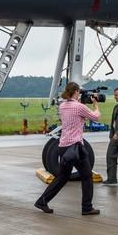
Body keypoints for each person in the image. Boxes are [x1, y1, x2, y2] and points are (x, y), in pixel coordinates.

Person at [35, 82, 101, 215]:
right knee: (87, 176)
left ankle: (42, 201)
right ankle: (87, 207)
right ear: (76, 92)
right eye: (79, 92)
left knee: (62, 177)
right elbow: (96, 117)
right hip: (76, 147)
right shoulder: (79, 107)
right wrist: (95, 104)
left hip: (63, 146)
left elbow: (75, 113)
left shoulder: (63, 106)